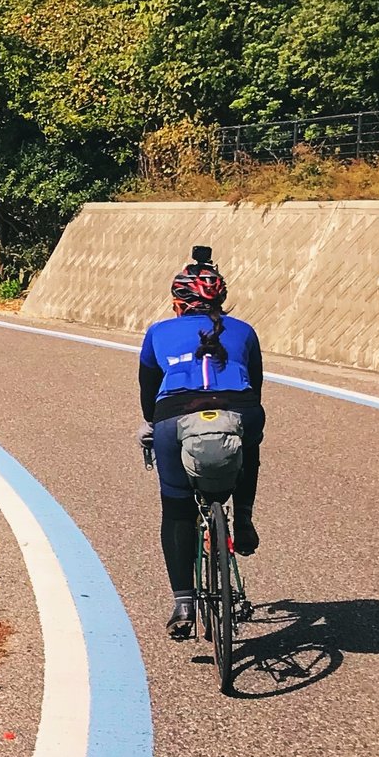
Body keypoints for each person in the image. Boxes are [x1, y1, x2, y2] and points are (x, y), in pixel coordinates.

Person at [138, 249, 264, 640]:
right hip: (238, 410)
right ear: (221, 300)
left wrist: (152, 422)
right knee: (250, 442)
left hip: (174, 416)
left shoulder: (159, 332)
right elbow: (255, 387)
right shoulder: (244, 330)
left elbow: (148, 391)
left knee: (176, 508)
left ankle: (183, 603)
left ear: (177, 303)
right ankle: (241, 518)